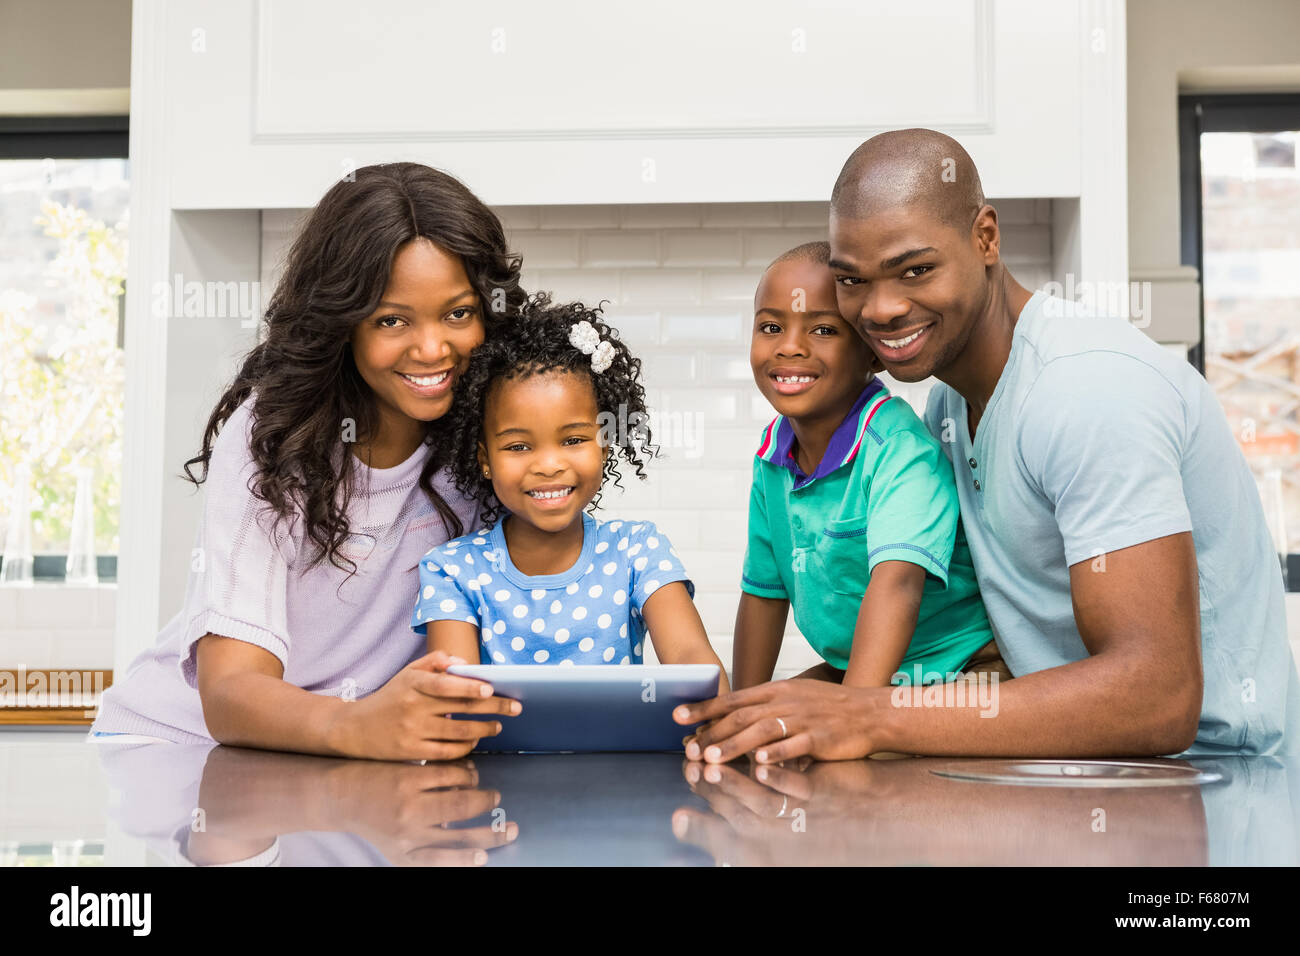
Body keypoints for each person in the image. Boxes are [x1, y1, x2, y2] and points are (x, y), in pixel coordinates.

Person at [676, 128, 1300, 762]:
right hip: (1070, 768)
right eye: (852, 280)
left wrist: (867, 715)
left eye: (915, 269)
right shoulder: (948, 404)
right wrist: (805, 702)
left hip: (1217, 784)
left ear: (985, 238)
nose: (882, 308)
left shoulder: (1088, 389)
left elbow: (1156, 700)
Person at [89, 162, 522, 760]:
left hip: (339, 757)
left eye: (458, 313)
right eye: (392, 320)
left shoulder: (494, 438)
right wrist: (359, 726)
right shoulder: (274, 436)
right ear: (343, 324)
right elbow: (231, 692)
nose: (432, 349)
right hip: (182, 748)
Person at [412, 294, 728, 691]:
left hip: (625, 756)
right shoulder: (454, 570)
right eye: (518, 446)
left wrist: (711, 719)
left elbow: (690, 660)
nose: (548, 465)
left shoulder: (638, 551)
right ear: (485, 458)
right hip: (491, 757)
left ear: (606, 445)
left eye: (574, 439)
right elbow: (454, 700)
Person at [732, 241, 1003, 690]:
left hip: (959, 672)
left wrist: (850, 721)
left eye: (822, 330)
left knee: (820, 746)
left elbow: (897, 585)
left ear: (873, 354)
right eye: (771, 326)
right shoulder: (772, 456)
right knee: (759, 720)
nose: (790, 348)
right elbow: (764, 593)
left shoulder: (899, 449)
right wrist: (740, 706)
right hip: (863, 671)